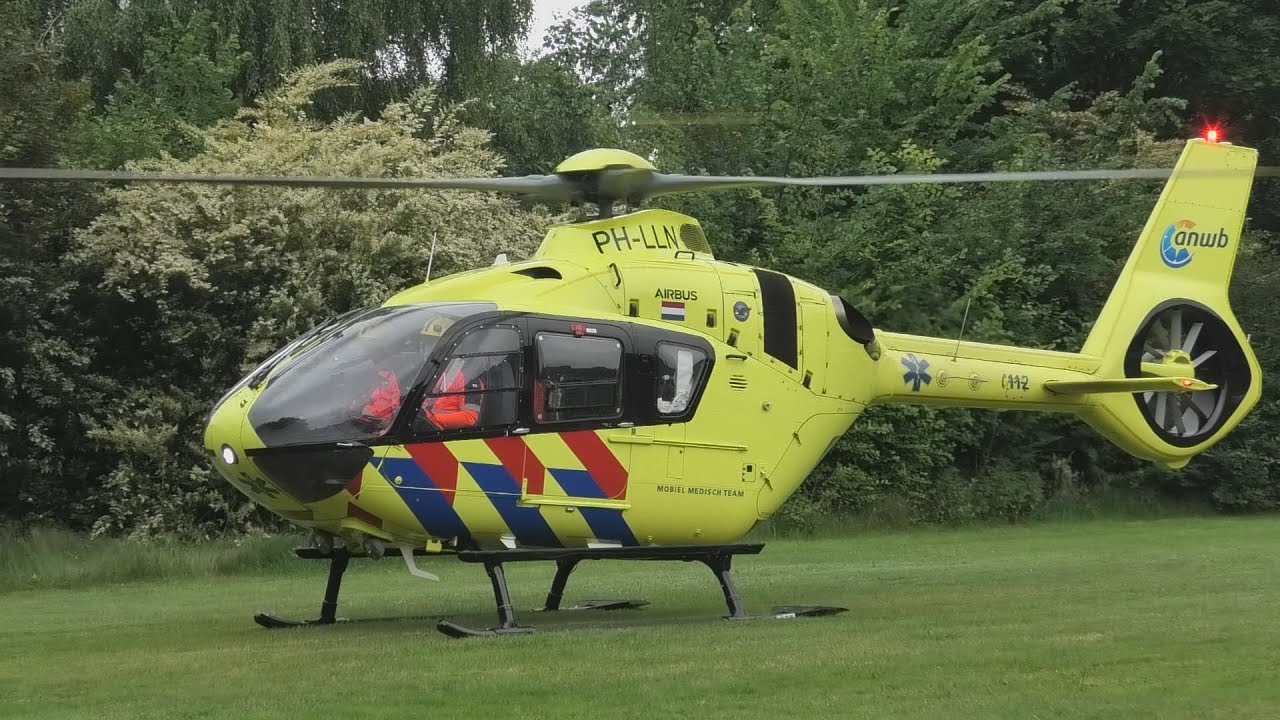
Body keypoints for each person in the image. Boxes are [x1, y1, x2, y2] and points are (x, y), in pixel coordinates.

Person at [420, 356, 486, 430]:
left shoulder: (468, 379)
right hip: (427, 428)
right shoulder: (437, 376)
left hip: (447, 434)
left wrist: (431, 420)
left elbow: (470, 417)